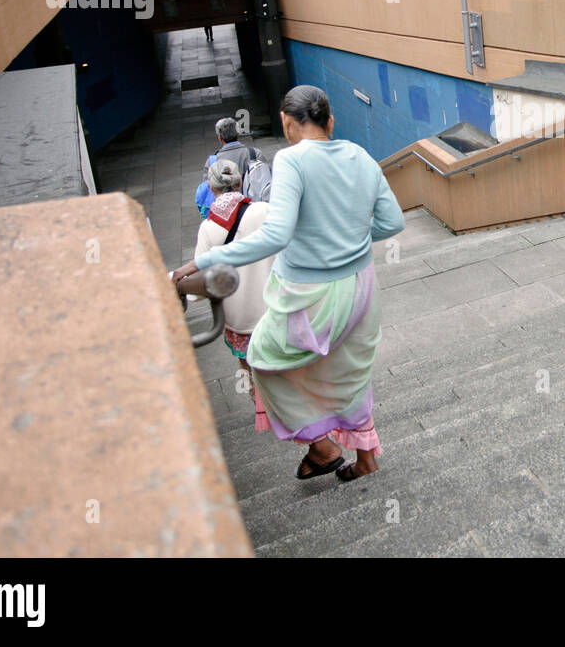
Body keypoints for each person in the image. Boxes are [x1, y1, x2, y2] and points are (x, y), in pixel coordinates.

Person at [173, 86, 405, 483]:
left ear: (287, 123)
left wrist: (205, 259)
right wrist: (348, 240)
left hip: (309, 292)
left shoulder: (291, 160)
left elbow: (276, 236)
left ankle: (321, 443)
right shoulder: (361, 157)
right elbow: (392, 223)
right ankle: (365, 459)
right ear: (330, 121)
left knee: (263, 359)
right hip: (361, 286)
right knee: (351, 372)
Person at [193, 159, 275, 431]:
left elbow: (200, 285)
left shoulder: (208, 228)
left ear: (211, 187)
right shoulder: (264, 210)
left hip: (238, 319)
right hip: (275, 309)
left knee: (250, 366)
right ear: (240, 182)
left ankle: (264, 408)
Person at [195, 117, 264, 218]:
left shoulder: (212, 162)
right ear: (238, 133)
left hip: (227, 217)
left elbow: (208, 190)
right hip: (255, 211)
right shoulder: (254, 154)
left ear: (219, 137)